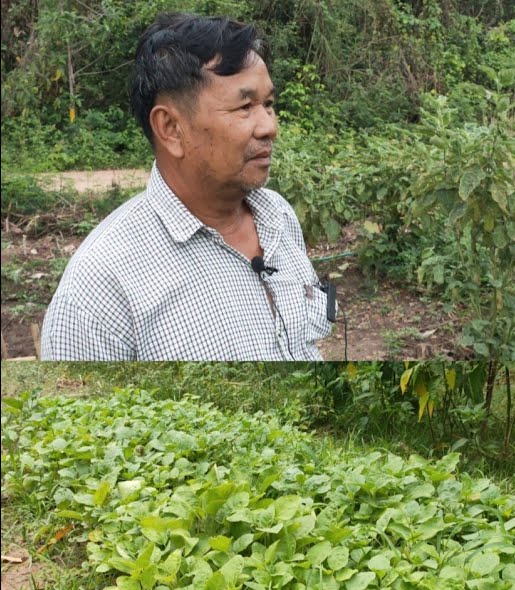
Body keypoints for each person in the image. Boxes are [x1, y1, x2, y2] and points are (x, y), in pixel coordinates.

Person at [40, 13, 332, 360]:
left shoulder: (278, 216)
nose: (269, 127)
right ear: (171, 129)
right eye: (244, 106)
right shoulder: (100, 289)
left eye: (268, 104)